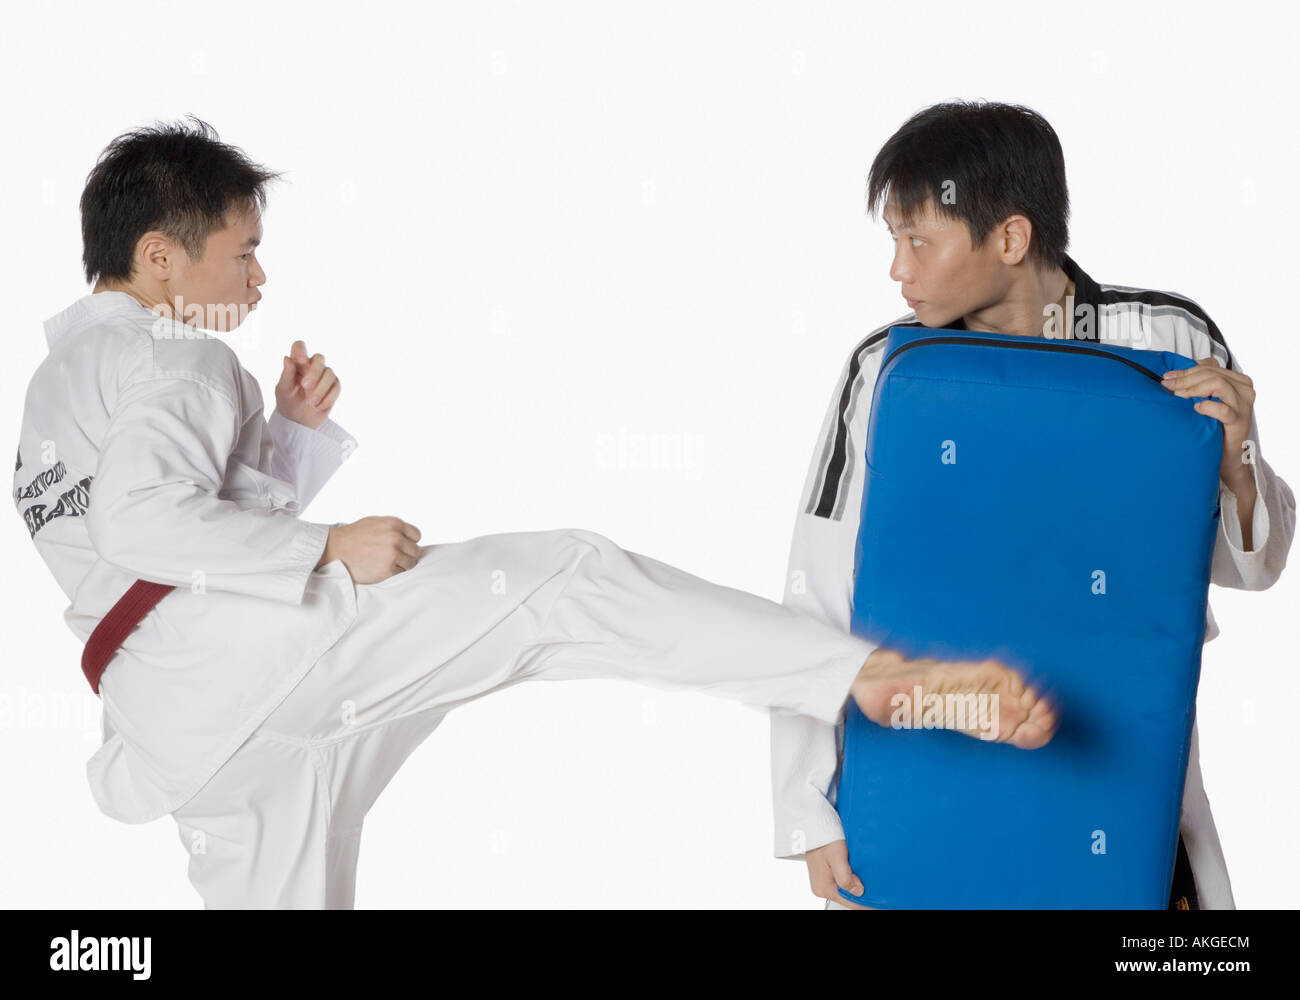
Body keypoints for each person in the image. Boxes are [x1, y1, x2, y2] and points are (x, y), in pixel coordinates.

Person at [12, 116, 1059, 909]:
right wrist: (327, 540)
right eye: (241, 251)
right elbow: (147, 527)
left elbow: (155, 550)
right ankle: (870, 679)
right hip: (251, 662)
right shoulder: (179, 351)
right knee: (564, 583)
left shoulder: (55, 391)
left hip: (186, 732)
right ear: (160, 260)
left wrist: (280, 441)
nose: (258, 275)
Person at [770, 100, 1296, 911]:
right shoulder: (884, 370)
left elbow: (1248, 569)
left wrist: (1239, 467)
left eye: (919, 240)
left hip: (1124, 759)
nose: (897, 270)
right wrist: (808, 811)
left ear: (1010, 239)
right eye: (893, 242)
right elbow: (818, 586)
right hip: (925, 764)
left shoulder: (1168, 337)